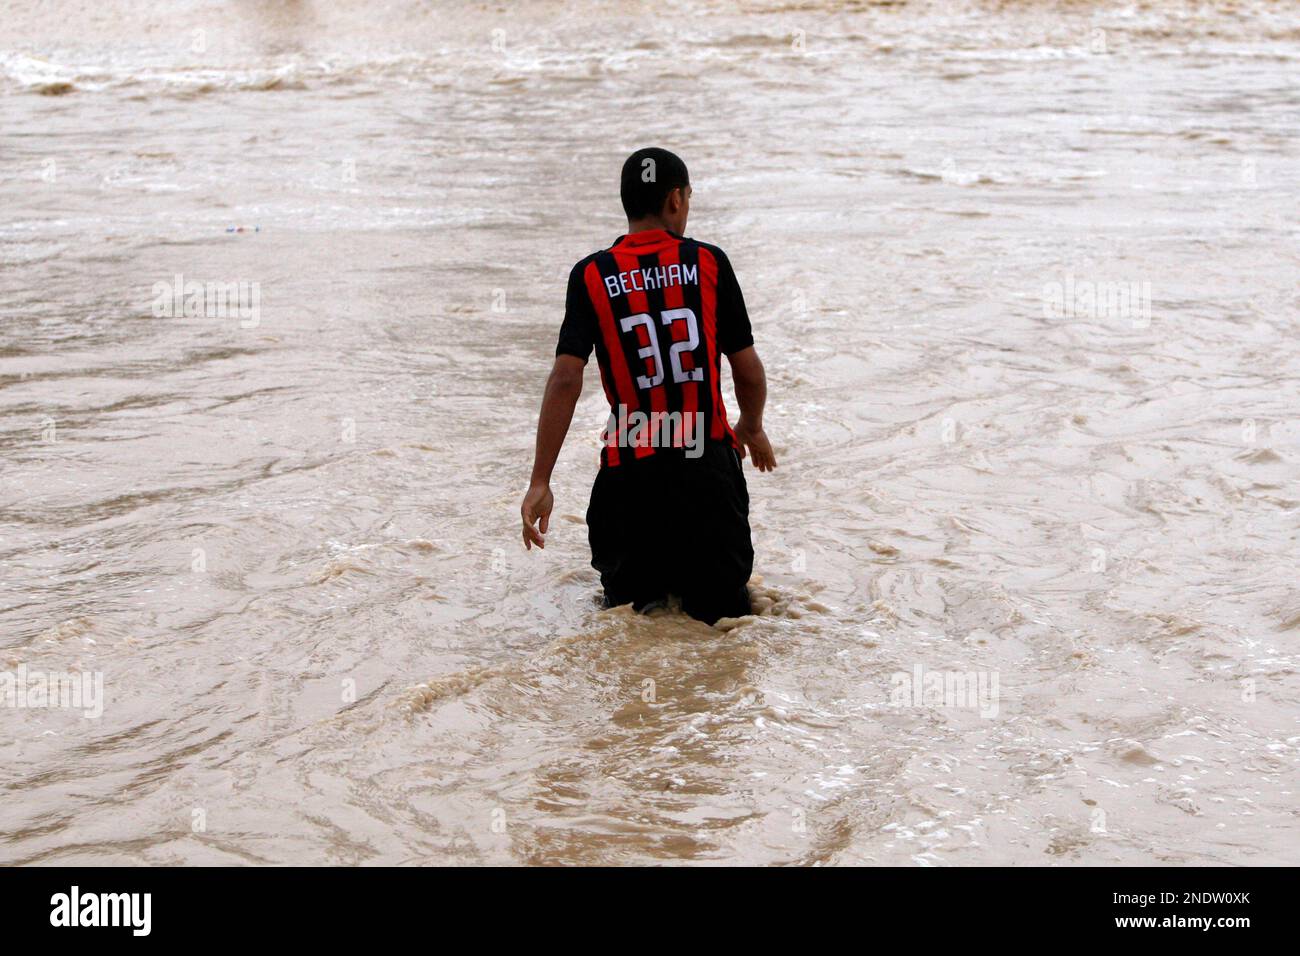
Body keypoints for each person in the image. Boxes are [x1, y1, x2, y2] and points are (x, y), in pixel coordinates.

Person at [520, 147, 776, 624]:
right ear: (676, 200)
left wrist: (541, 480)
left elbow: (564, 380)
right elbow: (747, 369)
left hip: (630, 481)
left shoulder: (591, 275)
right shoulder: (709, 264)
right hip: (706, 476)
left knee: (630, 618)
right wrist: (752, 426)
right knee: (723, 621)